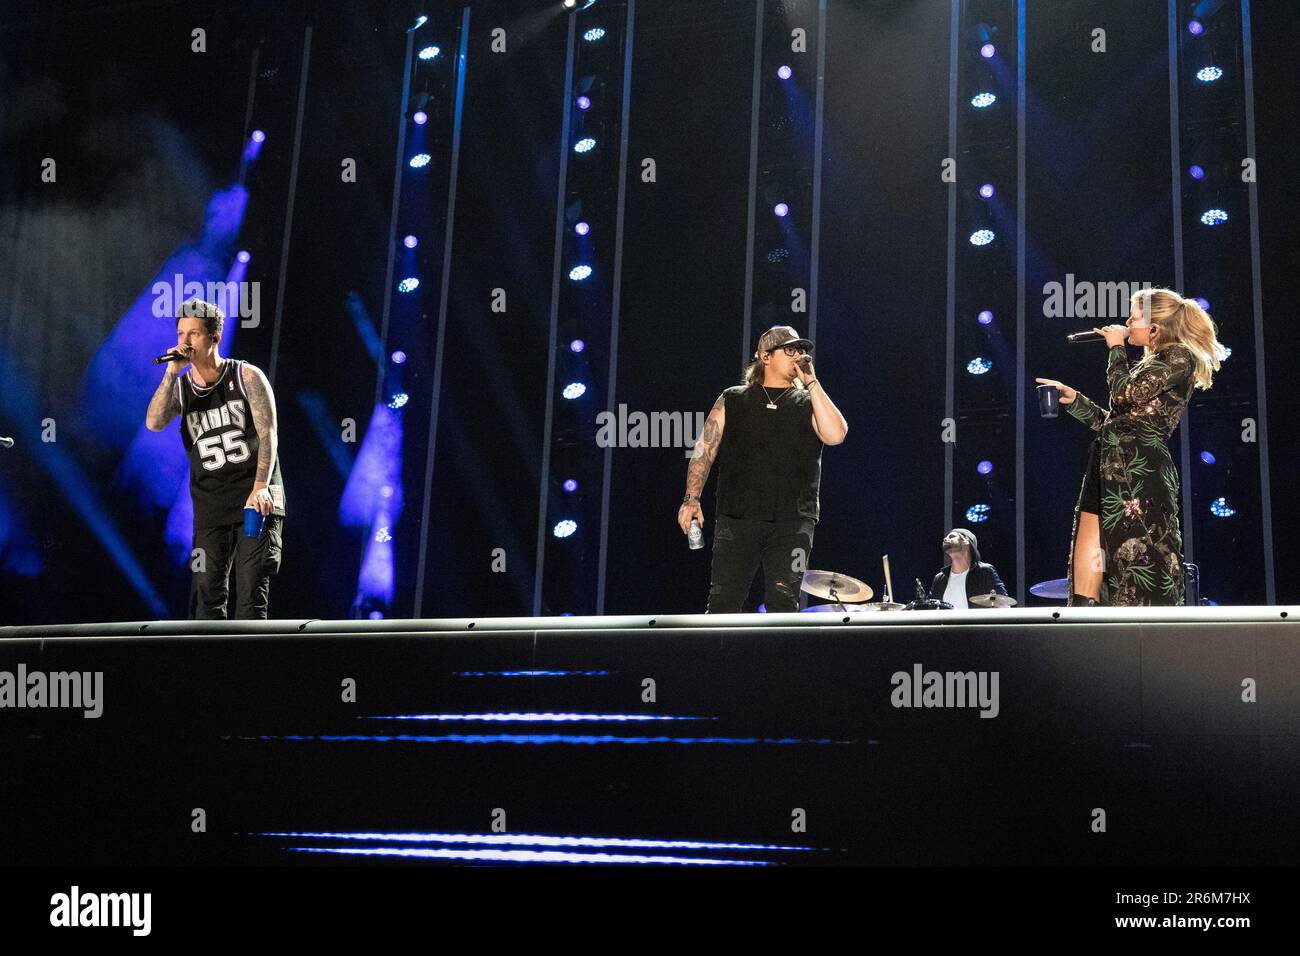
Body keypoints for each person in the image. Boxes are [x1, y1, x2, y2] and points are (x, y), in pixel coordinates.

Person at [1036, 288, 1224, 606]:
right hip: (1108, 466)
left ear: (1156, 326)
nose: (1126, 323)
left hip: (1140, 474)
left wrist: (1115, 347)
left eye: (1134, 317)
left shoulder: (1179, 356)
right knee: (1091, 544)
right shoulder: (1150, 365)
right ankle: (1085, 616)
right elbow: (1118, 424)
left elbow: (1127, 394)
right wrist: (1076, 400)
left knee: (1137, 553)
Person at [677, 325, 848, 612]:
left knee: (783, 602)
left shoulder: (809, 402)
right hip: (738, 517)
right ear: (765, 356)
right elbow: (705, 448)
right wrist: (691, 498)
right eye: (790, 350)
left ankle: (777, 658)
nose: (799, 356)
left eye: (803, 351)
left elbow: (836, 435)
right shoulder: (734, 398)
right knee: (723, 603)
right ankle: (722, 656)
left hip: (793, 521)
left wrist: (813, 383)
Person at [145, 298, 286, 619]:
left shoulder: (246, 375)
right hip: (211, 508)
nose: (185, 342)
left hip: (255, 502)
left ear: (215, 338)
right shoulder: (182, 388)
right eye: (181, 333)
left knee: (251, 595)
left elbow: (268, 433)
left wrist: (261, 485)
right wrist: (171, 373)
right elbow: (153, 423)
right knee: (206, 598)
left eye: (193, 334)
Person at [929, 528, 1008, 609]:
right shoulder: (939, 579)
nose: (945, 539)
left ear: (966, 542)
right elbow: (931, 609)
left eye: (951, 537)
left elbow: (1003, 603)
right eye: (946, 538)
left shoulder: (985, 571)